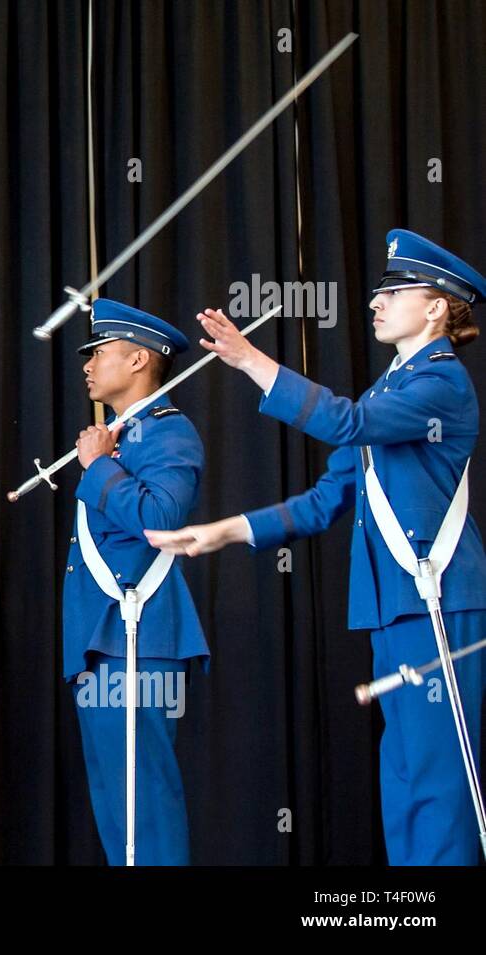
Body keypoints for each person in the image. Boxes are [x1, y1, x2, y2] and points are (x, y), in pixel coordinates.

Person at [147, 230, 486, 865]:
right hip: (395, 608)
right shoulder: (390, 392)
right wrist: (222, 532)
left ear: (437, 306)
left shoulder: (440, 386)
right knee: (406, 779)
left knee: (440, 782)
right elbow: (324, 501)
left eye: (394, 290)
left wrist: (252, 361)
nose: (376, 302)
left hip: (437, 601)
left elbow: (346, 424)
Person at [65, 299, 206, 865]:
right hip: (102, 642)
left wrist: (99, 466)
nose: (87, 365)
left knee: (142, 801)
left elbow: (161, 520)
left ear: (139, 359)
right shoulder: (124, 433)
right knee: (115, 802)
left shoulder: (171, 435)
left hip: (139, 642)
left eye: (99, 352)